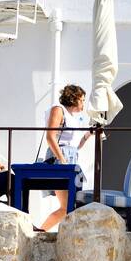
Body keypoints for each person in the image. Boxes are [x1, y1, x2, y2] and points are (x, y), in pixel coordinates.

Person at [38, 84, 92, 232]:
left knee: (70, 205)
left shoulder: (73, 118)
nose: (83, 103)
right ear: (74, 98)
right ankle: (39, 231)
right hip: (60, 159)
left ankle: (40, 231)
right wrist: (62, 160)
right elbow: (50, 136)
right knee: (67, 205)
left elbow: (75, 145)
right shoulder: (58, 110)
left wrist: (89, 133)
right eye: (82, 99)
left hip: (70, 158)